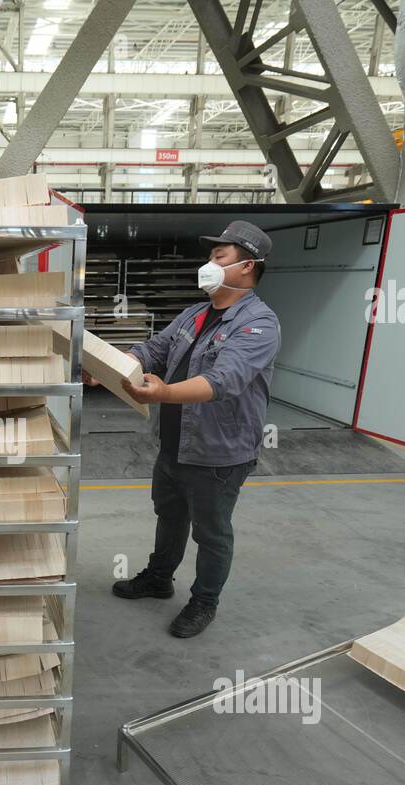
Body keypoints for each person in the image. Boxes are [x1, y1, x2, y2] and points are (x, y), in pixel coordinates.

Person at [101, 220, 281, 639]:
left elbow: (224, 381)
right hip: (174, 444)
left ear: (246, 267)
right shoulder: (195, 313)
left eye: (219, 256)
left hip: (219, 451)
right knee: (169, 516)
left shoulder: (259, 323)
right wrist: (116, 364)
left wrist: (162, 394)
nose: (209, 262)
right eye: (210, 255)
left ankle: (204, 602)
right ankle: (159, 578)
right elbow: (155, 348)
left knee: (212, 533)